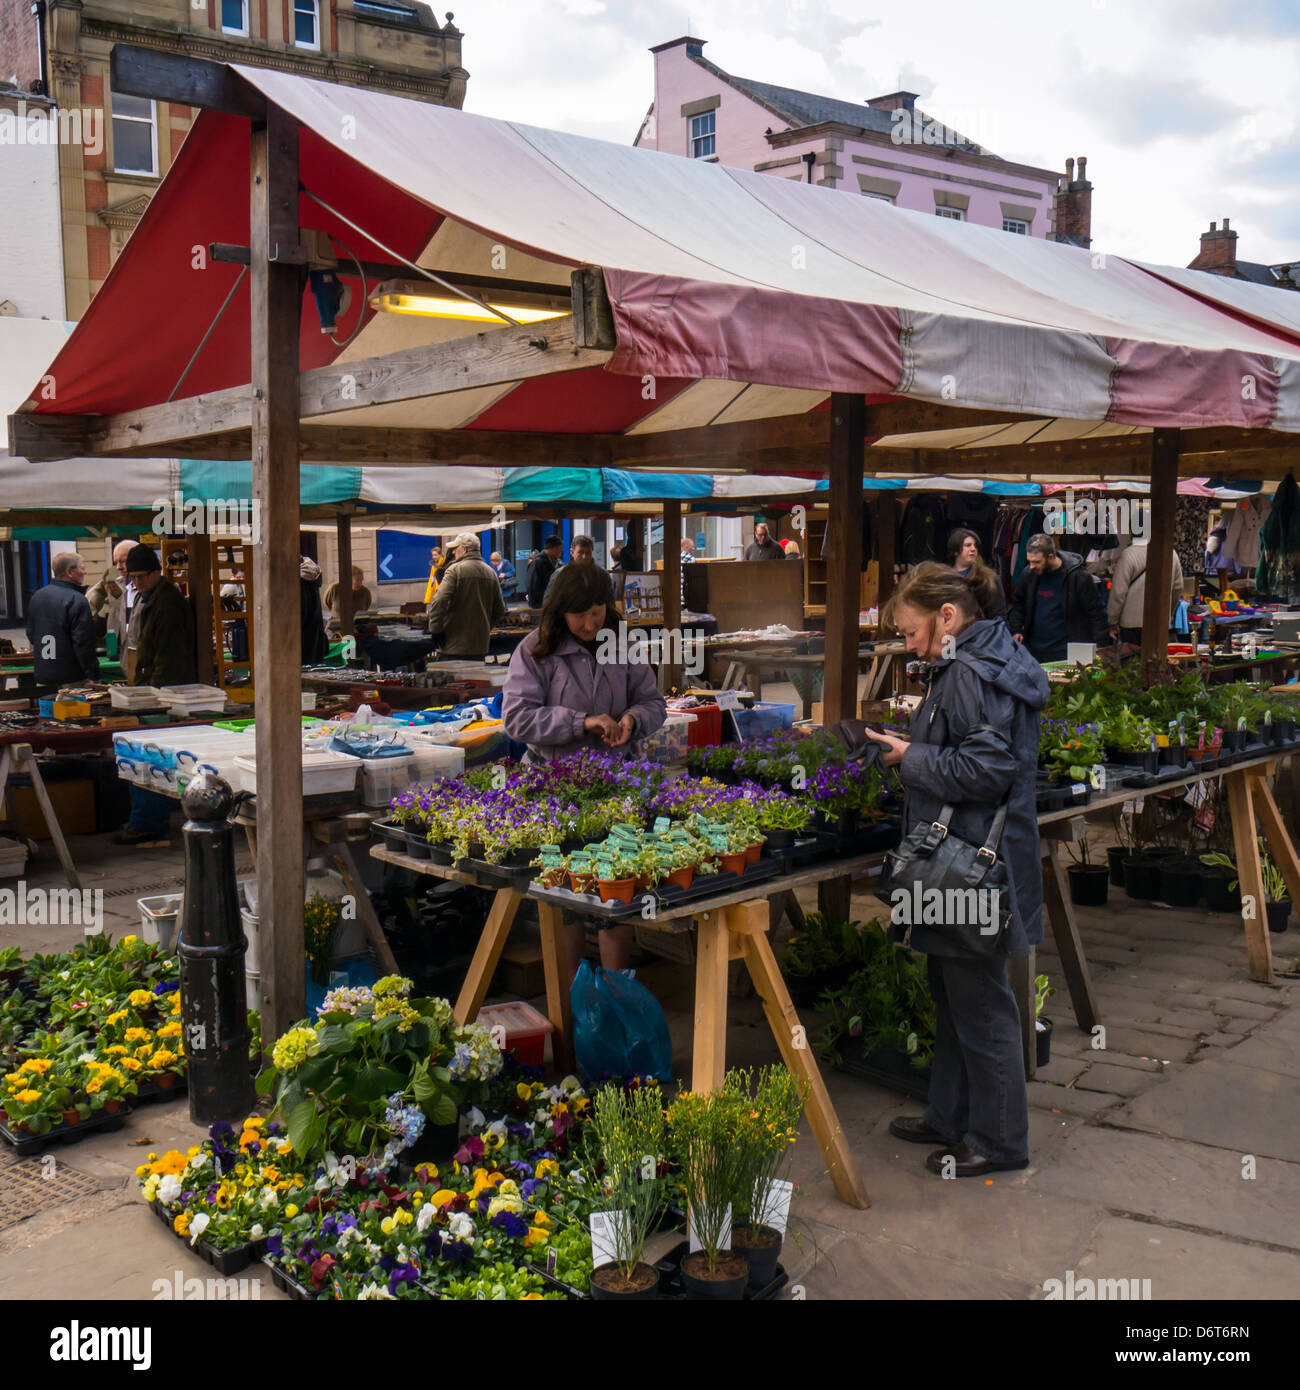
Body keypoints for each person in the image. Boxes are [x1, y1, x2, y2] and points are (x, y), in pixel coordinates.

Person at [866, 562, 1048, 1177]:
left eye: (913, 631)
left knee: (979, 998)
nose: (910, 645)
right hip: (968, 862)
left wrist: (909, 756)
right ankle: (949, 1115)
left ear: (948, 617)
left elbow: (988, 771)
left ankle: (997, 1142)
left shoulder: (970, 672)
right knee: (952, 988)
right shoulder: (984, 659)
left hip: (968, 866)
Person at [502, 563, 667, 981]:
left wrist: (630, 721)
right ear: (560, 611)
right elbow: (517, 719)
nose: (591, 624)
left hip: (614, 786)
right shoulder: (536, 649)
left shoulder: (621, 643)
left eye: (597, 613)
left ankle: (615, 992)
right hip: (553, 790)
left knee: (617, 892)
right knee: (564, 894)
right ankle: (571, 996)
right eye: (580, 616)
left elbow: (653, 702)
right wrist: (583, 723)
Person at [116, 544, 198, 847]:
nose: (135, 583)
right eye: (132, 577)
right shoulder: (148, 597)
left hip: (165, 692)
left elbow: (169, 656)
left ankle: (148, 822)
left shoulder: (167, 602)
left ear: (155, 572)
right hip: (152, 688)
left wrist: (154, 695)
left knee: (149, 756)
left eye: (140, 576)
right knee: (150, 757)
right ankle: (148, 819)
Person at [1007, 535, 1107, 663]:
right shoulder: (1029, 574)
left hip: (1068, 651)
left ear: (1050, 557)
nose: (1031, 566)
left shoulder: (1077, 576)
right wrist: (1016, 629)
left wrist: (1100, 644)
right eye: (1029, 561)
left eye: (1036, 562)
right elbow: (1018, 604)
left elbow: (1096, 612)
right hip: (1034, 650)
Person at [425, 533, 506, 658]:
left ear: (464, 549)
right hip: (479, 647)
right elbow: (500, 610)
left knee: (450, 677)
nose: (453, 553)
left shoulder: (455, 570)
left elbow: (439, 600)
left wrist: (435, 630)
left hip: (453, 646)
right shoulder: (491, 573)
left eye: (455, 549)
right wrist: (483, 629)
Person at [26, 552, 99, 687]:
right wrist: (94, 674)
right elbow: (83, 643)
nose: (85, 572)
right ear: (69, 572)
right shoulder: (77, 600)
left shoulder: (37, 597)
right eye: (82, 568)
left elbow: (31, 634)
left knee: (47, 708)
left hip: (43, 676)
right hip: (71, 679)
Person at [1106, 540, 1184, 647]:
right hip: (1159, 622)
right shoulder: (1171, 553)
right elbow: (1178, 587)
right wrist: (1167, 613)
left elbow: (1118, 593)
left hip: (1131, 624)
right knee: (1156, 660)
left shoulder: (1129, 554)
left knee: (1132, 661)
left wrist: (1112, 621)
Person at [87, 539, 138, 667]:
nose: (119, 567)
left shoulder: (150, 581)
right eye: (116, 562)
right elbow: (94, 595)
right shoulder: (113, 576)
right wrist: (85, 617)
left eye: (124, 561)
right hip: (115, 643)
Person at [947, 527, 1007, 618]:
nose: (973, 549)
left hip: (981, 630)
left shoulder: (989, 578)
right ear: (956, 551)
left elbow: (999, 615)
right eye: (968, 545)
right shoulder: (945, 578)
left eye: (975, 546)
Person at [545, 534, 611, 601]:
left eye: (588, 553)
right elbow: (548, 602)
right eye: (581, 552)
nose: (584, 557)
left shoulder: (602, 575)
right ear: (572, 552)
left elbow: (609, 603)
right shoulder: (560, 575)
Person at [300, 557, 329, 665]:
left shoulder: (298, 582)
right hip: (315, 643)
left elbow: (301, 615)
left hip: (300, 645)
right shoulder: (310, 578)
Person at [527, 534, 563, 608]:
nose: (561, 551)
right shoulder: (538, 562)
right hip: (541, 606)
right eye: (560, 548)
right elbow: (533, 586)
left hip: (551, 604)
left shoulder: (557, 562)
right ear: (553, 548)